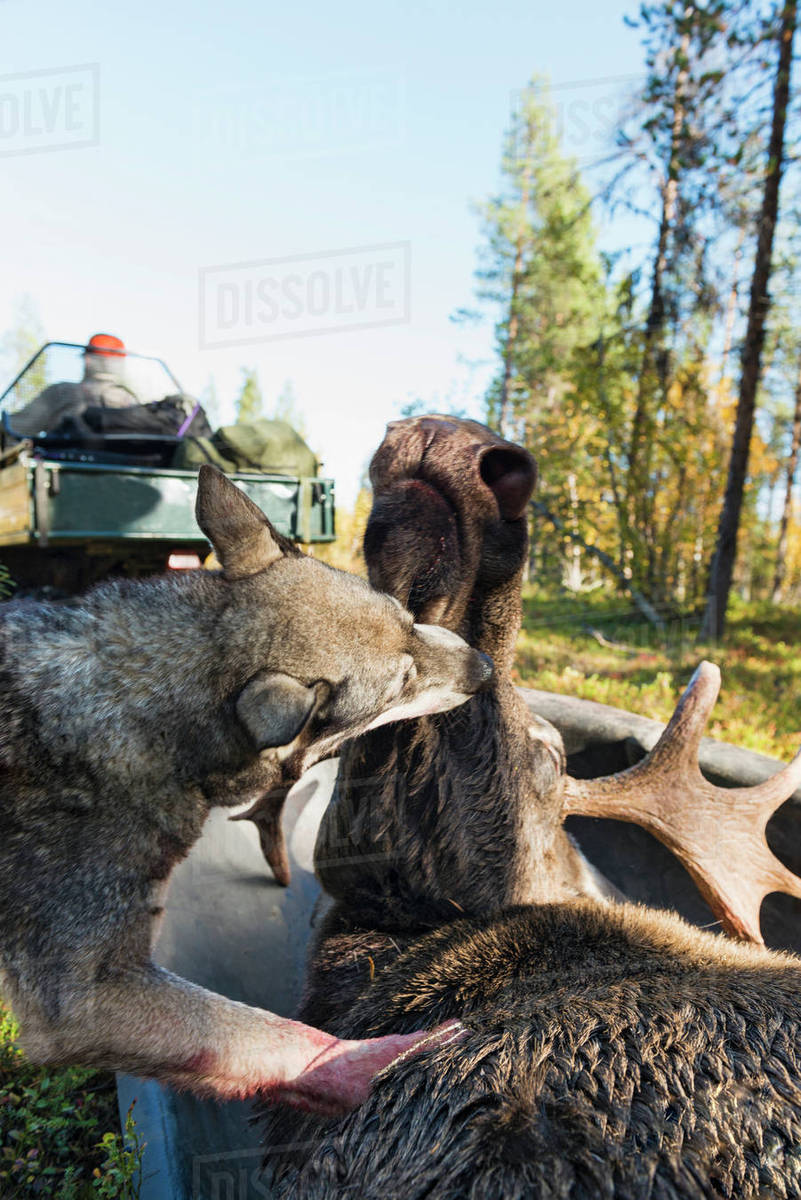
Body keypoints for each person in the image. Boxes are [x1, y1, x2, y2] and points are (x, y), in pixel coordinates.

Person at [10, 333, 139, 437]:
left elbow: (17, 427)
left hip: (63, 467)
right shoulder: (133, 402)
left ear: (88, 360)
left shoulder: (63, 392)